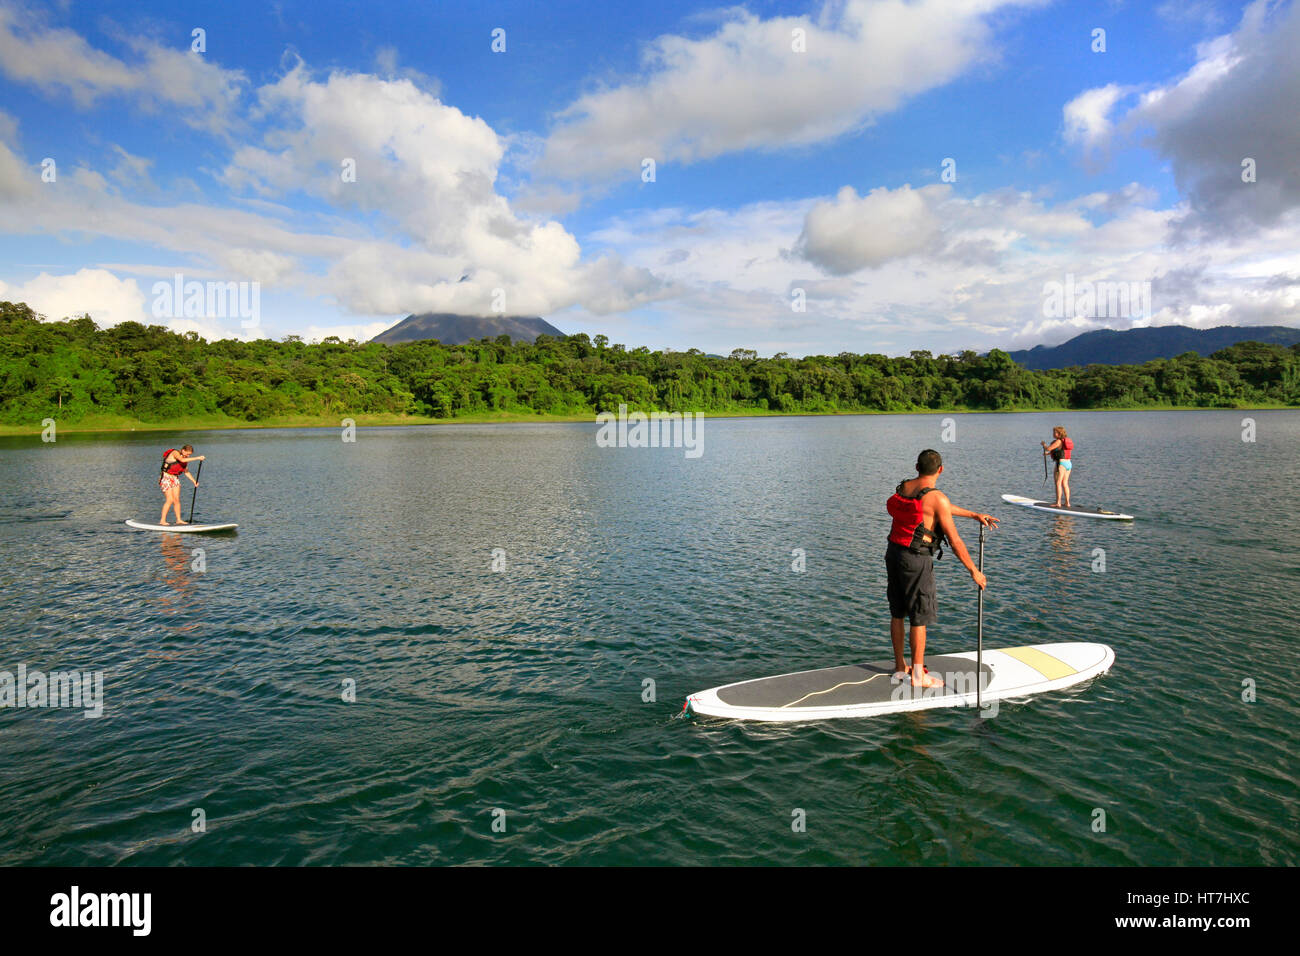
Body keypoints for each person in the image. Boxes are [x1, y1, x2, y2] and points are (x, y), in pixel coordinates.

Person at [885, 449, 997, 688]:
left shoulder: (905, 486)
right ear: (940, 470)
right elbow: (955, 541)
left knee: (897, 612)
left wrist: (973, 514)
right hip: (916, 560)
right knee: (919, 617)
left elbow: (936, 507)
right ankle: (917, 675)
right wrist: (973, 571)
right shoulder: (937, 498)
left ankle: (899, 667)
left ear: (917, 467)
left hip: (893, 553)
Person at [159, 444, 204, 525]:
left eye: (189, 454)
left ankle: (179, 520)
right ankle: (162, 520)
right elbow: (182, 460)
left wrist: (194, 481)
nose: (188, 455)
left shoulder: (185, 458)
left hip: (175, 478)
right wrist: (197, 458)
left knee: (176, 499)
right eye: (187, 453)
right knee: (170, 499)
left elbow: (186, 472)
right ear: (183, 450)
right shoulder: (175, 453)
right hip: (166, 477)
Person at [1041, 426, 1074, 508]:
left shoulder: (1058, 441)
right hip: (1068, 463)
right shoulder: (1064, 441)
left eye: (1054, 432)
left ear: (1059, 434)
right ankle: (1067, 503)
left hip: (1061, 464)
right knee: (1065, 483)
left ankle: (1058, 503)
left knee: (1058, 483)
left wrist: (1044, 444)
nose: (1053, 434)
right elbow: (1061, 451)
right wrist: (1048, 454)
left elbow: (1048, 448)